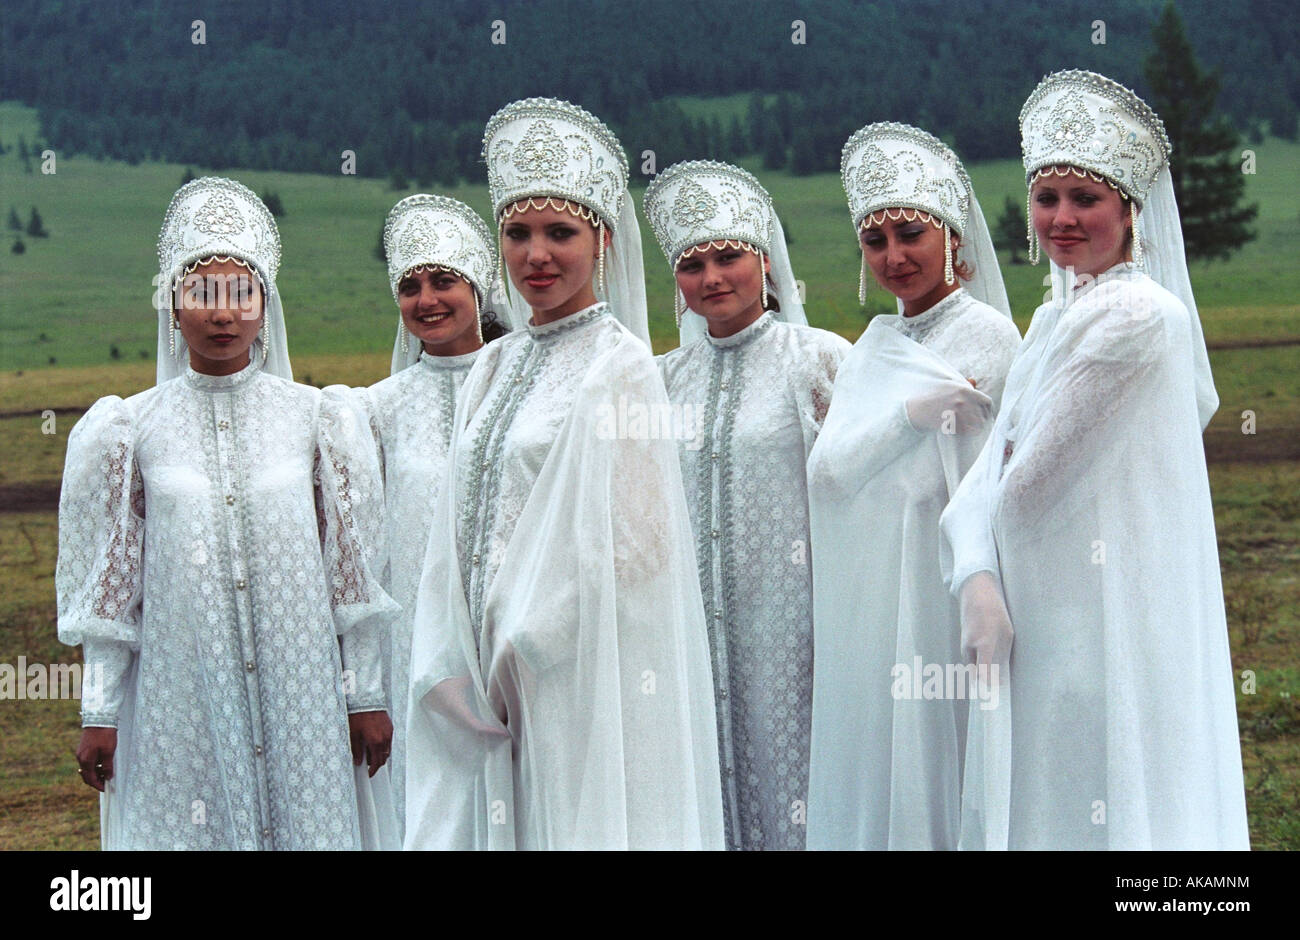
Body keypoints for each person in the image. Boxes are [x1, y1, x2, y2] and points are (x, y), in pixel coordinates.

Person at [939, 69, 1249, 849]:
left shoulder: (1139, 317)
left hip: (1097, 602)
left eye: (1087, 199)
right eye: (1047, 198)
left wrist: (979, 527)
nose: (1063, 218)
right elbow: (989, 470)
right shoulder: (1053, 313)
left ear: (1130, 210)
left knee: (1096, 782)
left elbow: (1028, 482)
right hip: (1039, 594)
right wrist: (974, 563)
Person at [403, 98, 723, 850]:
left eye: (560, 233)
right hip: (477, 675)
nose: (536, 254)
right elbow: (454, 524)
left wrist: (527, 640)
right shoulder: (492, 364)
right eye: (517, 234)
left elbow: (637, 547)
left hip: (569, 676)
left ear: (603, 241)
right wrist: (444, 657)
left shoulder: (621, 368)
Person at [57, 177, 397, 849]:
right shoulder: (132, 429)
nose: (221, 315)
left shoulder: (316, 420)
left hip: (302, 697)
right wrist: (99, 710)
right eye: (200, 293)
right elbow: (112, 589)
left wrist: (364, 695)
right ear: (171, 307)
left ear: (264, 305)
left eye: (240, 293)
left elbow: (350, 578)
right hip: (183, 693)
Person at [805, 123, 1021, 850]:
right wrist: (907, 416)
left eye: (910, 235)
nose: (894, 256)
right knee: (885, 750)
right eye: (876, 241)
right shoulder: (871, 349)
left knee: (947, 745)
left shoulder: (992, 337)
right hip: (875, 587)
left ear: (951, 237)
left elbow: (992, 478)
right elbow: (829, 477)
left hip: (945, 580)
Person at [643, 160, 849, 850]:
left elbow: (854, 489)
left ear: (764, 261)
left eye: (728, 257)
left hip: (795, 623)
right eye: (692, 264)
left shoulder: (817, 360)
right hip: (691, 631)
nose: (712, 278)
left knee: (794, 778)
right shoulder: (662, 381)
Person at [351, 193, 507, 841]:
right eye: (410, 286)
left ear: (478, 288)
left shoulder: (520, 383)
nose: (427, 299)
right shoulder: (374, 411)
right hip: (412, 645)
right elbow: (361, 554)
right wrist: (366, 686)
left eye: (443, 281)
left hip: (510, 636)